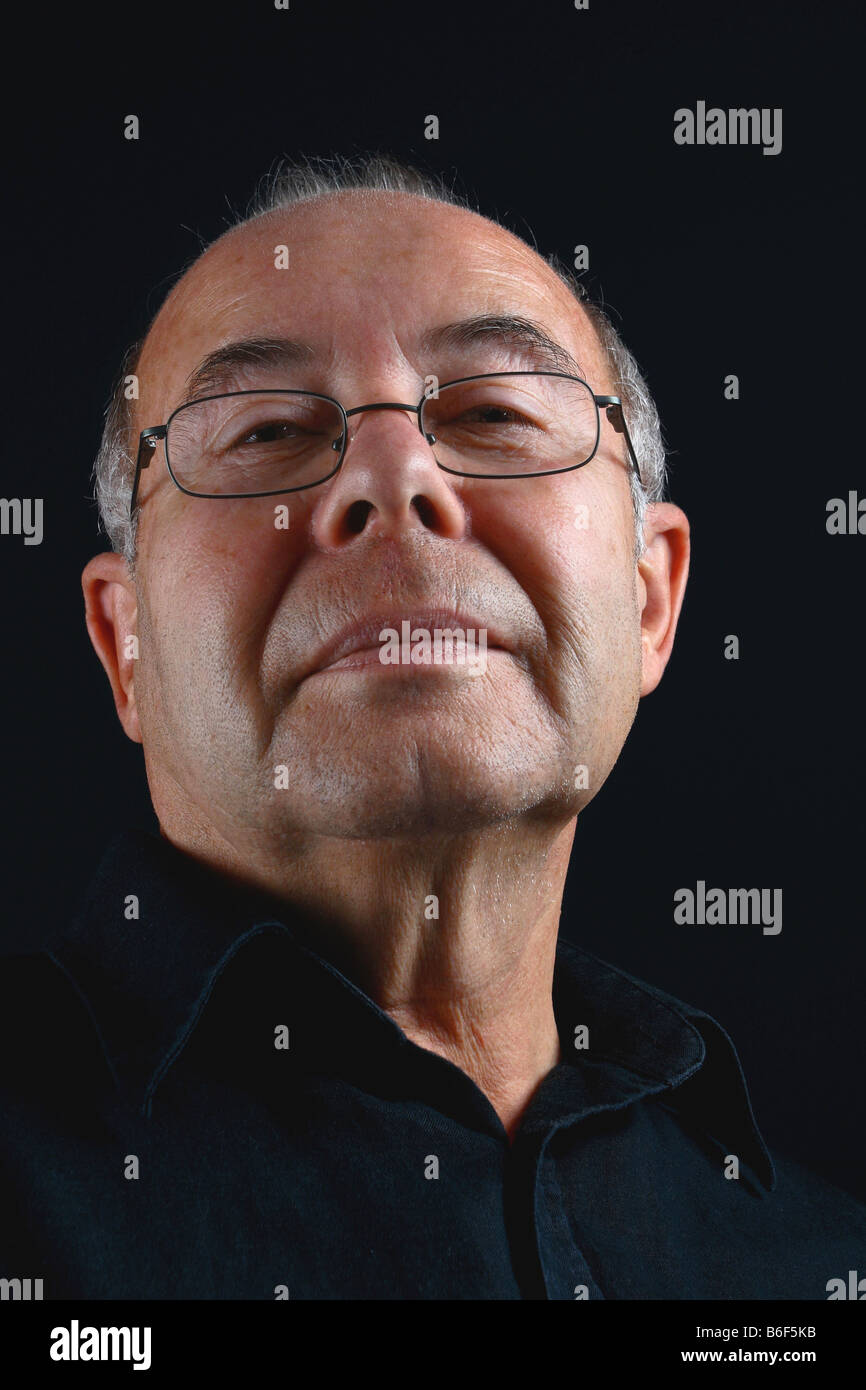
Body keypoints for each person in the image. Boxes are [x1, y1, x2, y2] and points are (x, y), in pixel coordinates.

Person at [1, 154, 862, 1300]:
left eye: (496, 411)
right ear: (127, 647)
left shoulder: (817, 1272)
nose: (393, 474)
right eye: (263, 433)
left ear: (649, 599)